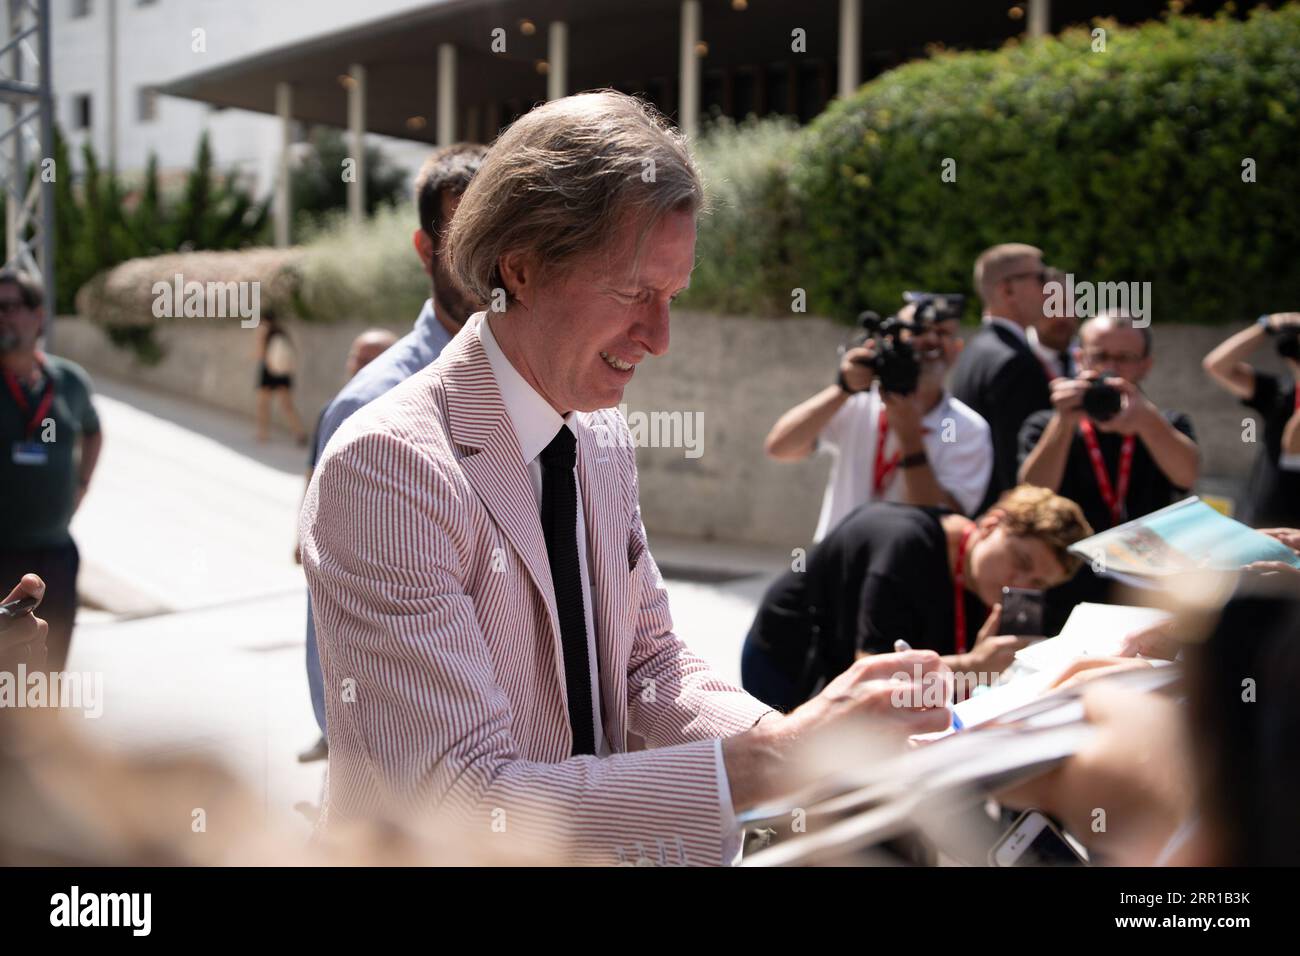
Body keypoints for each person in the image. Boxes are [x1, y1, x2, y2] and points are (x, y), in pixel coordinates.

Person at [300, 91, 951, 865]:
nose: (660, 337)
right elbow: (467, 802)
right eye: (634, 293)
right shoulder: (388, 468)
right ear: (523, 267)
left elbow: (647, 665)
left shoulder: (596, 430)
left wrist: (787, 741)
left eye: (672, 298)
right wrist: (772, 761)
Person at [299, 142, 488, 764]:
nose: (487, 262)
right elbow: (339, 633)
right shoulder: (371, 411)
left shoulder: (546, 390)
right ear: (423, 251)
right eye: (464, 241)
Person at [741, 485, 1092, 713]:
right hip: (787, 659)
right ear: (990, 525)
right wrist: (972, 666)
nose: (1021, 585)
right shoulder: (905, 547)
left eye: (1038, 583)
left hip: (843, 662)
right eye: (1021, 562)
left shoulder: (978, 571)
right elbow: (875, 674)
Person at [1018, 314, 1199, 633]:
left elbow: (1185, 475)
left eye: (1125, 358)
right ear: (1079, 358)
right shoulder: (1045, 423)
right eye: (1100, 356)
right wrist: (1064, 423)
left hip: (1144, 593)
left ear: (1146, 365)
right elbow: (1030, 494)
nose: (1111, 368)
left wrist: (1146, 420)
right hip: (1061, 589)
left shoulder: (1166, 422)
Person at [764, 297, 992, 541]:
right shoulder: (858, 403)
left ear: (957, 349)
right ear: (890, 341)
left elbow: (941, 521)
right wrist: (842, 389)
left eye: (942, 332)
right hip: (837, 560)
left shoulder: (968, 428)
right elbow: (781, 447)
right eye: (917, 331)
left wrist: (909, 437)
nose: (930, 341)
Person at [294, 327, 397, 762]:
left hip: (379, 556)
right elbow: (313, 472)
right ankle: (329, 729)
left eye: (372, 357)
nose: (361, 364)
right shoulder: (335, 409)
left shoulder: (397, 410)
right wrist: (299, 532)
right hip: (330, 545)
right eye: (357, 356)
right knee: (321, 641)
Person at [0, 269, 102, 671]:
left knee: (49, 667)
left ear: (37, 315)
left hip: (56, 553)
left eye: (9, 306)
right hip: (2, 553)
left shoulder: (70, 382)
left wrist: (83, 484)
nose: (1, 317)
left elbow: (93, 432)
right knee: (8, 676)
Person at [950, 244, 1055, 511]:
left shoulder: (976, 350)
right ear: (1007, 290)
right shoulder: (1013, 360)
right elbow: (1017, 461)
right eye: (1040, 278)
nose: (1050, 287)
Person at [1202, 311, 1300, 528]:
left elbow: (1293, 443)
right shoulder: (1280, 391)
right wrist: (1266, 326)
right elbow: (1216, 365)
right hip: (1266, 517)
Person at [254, 310, 308, 444]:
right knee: (287, 405)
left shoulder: (265, 333)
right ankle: (299, 432)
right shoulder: (282, 333)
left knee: (263, 404)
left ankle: (263, 433)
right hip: (283, 373)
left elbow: (261, 354)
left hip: (269, 371)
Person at [1029, 266, 1078, 380]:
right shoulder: (1016, 357)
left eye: (1068, 306)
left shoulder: (1094, 355)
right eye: (1051, 307)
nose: (1062, 316)